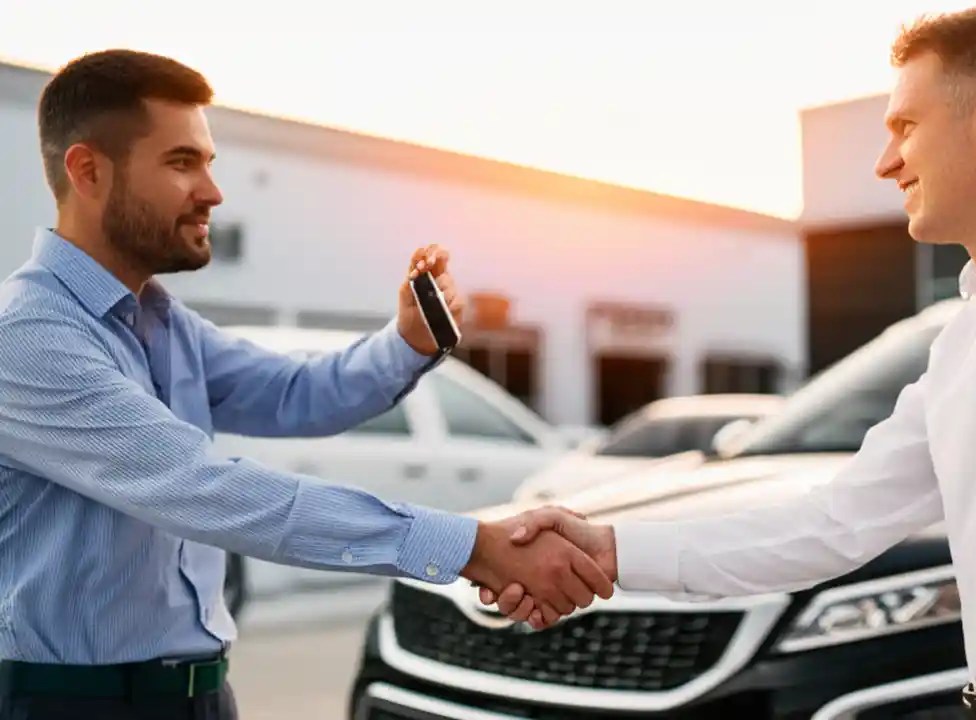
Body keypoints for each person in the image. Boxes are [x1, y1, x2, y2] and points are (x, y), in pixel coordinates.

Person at [483, 5, 976, 719]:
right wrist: (609, 547)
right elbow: (829, 524)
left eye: (905, 126)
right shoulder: (970, 337)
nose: (885, 162)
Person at [0, 49, 612, 720]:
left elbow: (297, 393)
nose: (213, 191)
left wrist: (407, 341)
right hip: (71, 705)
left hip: (202, 696)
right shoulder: (28, 338)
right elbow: (204, 487)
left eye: (209, 162)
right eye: (181, 163)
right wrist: (473, 548)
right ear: (88, 170)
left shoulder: (162, 323)